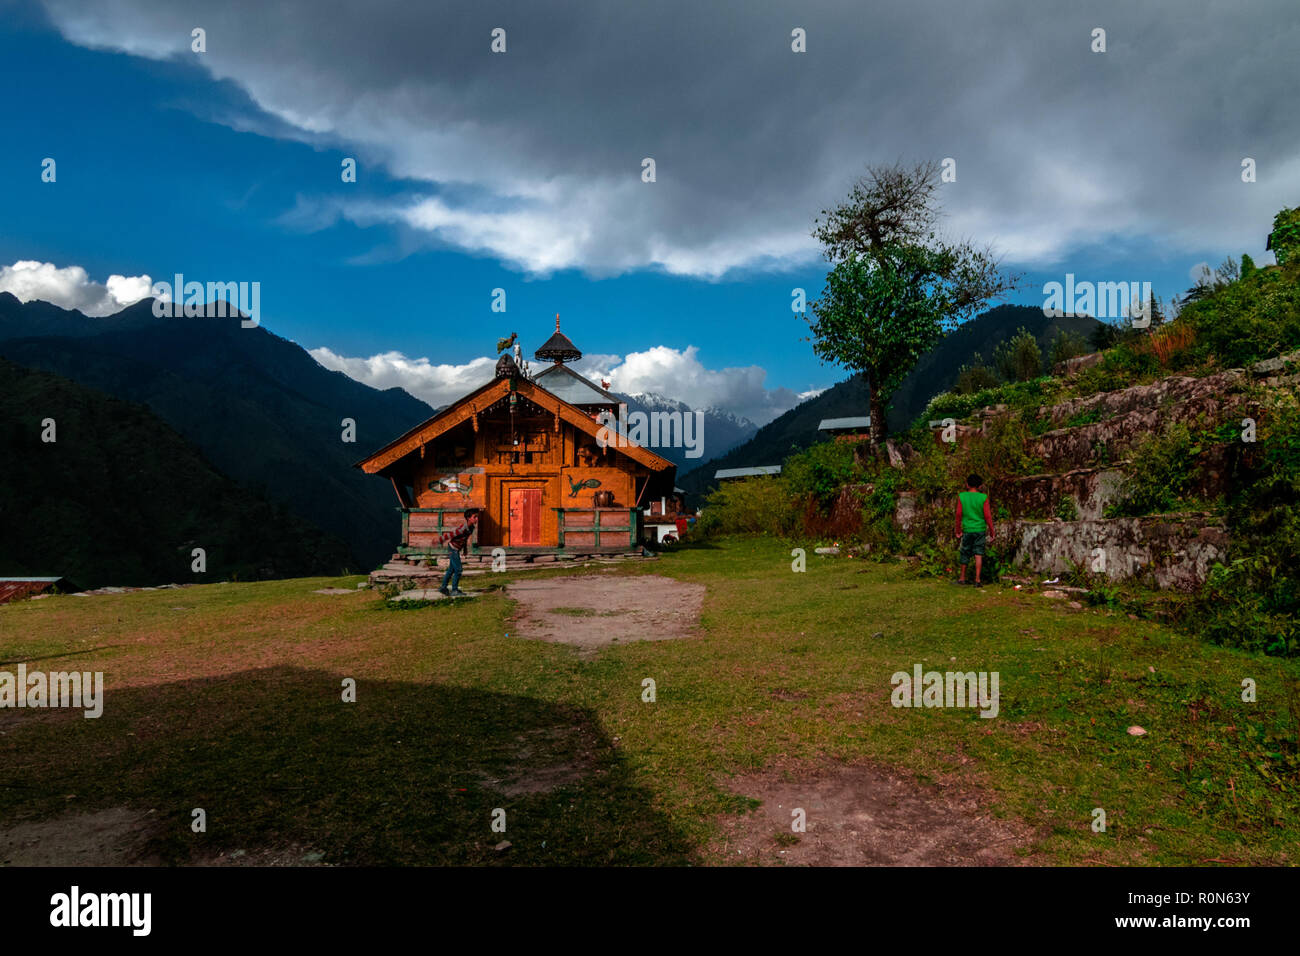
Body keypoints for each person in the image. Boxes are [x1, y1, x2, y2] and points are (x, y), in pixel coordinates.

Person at [955, 474, 995, 587]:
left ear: (967, 484)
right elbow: (988, 516)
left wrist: (957, 529)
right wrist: (992, 530)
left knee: (965, 552)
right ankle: (977, 580)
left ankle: (962, 578)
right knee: (978, 553)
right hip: (980, 529)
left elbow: (958, 514)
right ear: (980, 486)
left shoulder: (962, 496)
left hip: (967, 529)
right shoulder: (983, 497)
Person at [438, 508, 481, 597]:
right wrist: (440, 540)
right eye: (475, 517)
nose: (477, 519)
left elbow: (464, 539)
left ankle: (443, 587)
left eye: (477, 517)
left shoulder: (471, 527)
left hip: (456, 549)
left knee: (451, 569)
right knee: (458, 569)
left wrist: (465, 549)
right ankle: (454, 590)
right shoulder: (463, 528)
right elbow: (451, 534)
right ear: (469, 518)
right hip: (453, 549)